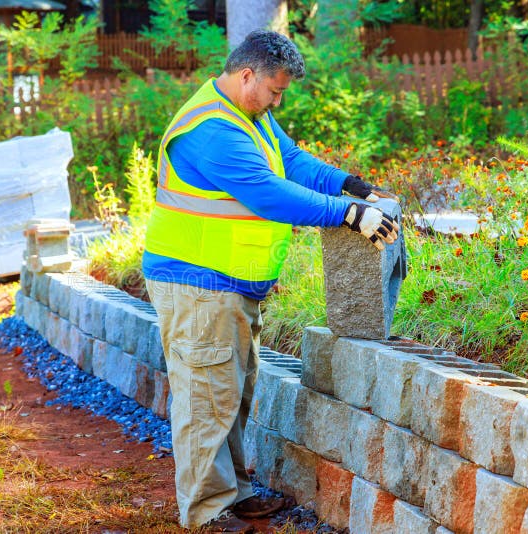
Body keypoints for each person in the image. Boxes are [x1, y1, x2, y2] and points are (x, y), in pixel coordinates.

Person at [143, 30, 399, 533]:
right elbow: (269, 194)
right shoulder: (214, 131)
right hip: (199, 283)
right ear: (246, 76)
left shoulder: (247, 115)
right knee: (205, 399)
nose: (278, 100)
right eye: (275, 91)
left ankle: (231, 495)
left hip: (227, 285)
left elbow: (292, 161)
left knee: (228, 394)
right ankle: (206, 512)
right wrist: (348, 214)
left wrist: (351, 186)